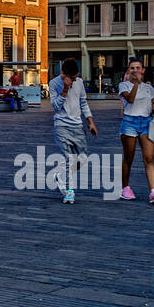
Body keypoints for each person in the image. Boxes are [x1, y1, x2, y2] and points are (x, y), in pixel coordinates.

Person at [49, 58, 97, 204]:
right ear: (64, 74)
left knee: (82, 159)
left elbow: (83, 102)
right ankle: (70, 192)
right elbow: (56, 107)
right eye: (72, 77)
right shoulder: (54, 84)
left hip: (77, 126)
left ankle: (60, 176)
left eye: (77, 76)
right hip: (61, 126)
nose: (75, 79)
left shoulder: (79, 82)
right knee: (70, 159)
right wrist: (64, 90)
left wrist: (90, 122)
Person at [118, 56, 154, 203]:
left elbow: (149, 107)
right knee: (129, 158)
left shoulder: (149, 88)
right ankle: (125, 188)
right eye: (132, 68)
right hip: (129, 122)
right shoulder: (123, 85)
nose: (135, 71)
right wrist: (136, 84)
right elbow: (130, 100)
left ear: (143, 70)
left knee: (149, 158)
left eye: (138, 68)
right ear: (128, 70)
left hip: (145, 122)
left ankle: (153, 191)